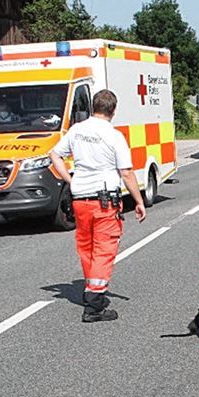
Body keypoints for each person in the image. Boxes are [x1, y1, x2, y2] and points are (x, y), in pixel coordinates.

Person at [48, 89, 146, 322]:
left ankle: (90, 289)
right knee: (104, 248)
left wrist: (71, 180)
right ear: (113, 110)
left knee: (86, 246)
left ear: (93, 107)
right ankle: (94, 305)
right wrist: (139, 201)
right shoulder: (114, 136)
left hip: (80, 198)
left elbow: (54, 155)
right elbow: (126, 172)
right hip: (104, 201)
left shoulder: (77, 130)